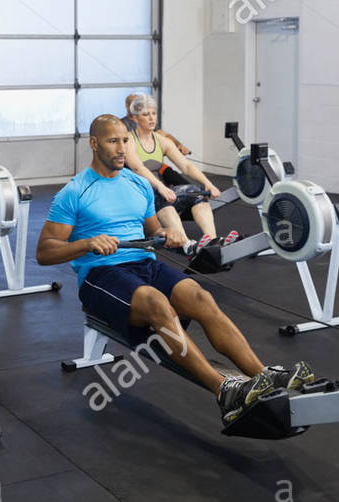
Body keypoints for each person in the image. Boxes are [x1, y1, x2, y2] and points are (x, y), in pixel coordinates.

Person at [36, 115, 313, 426]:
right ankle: (224, 390)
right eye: (113, 141)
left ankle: (263, 375)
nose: (121, 148)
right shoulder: (75, 191)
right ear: (94, 143)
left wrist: (169, 234)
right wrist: (86, 243)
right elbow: (45, 252)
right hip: (101, 276)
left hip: (143, 265)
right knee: (158, 304)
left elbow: (151, 233)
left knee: (200, 297)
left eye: (126, 141)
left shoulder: (138, 183)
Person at [121, 94, 237, 250]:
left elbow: (186, 166)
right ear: (135, 118)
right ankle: (186, 244)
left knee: (196, 193)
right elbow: (137, 168)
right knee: (160, 194)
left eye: (153, 113)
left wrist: (208, 184)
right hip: (139, 194)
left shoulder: (161, 140)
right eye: (145, 114)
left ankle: (212, 240)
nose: (151, 118)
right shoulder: (129, 140)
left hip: (160, 194)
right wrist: (161, 186)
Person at [121, 93, 191, 156]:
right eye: (134, 105)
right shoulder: (121, 124)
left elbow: (165, 135)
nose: (137, 107)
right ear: (127, 106)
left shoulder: (148, 122)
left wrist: (178, 145)